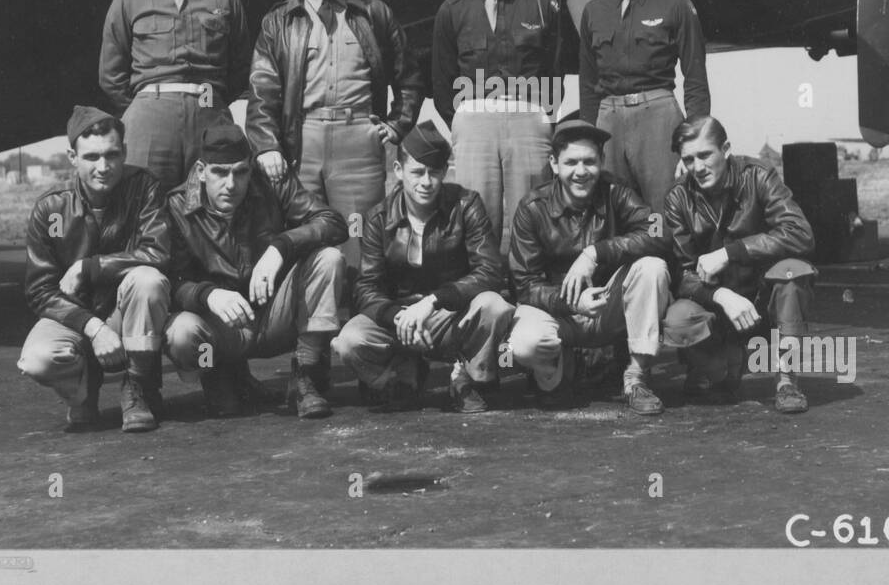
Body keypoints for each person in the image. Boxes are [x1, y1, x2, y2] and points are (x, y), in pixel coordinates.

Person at [245, 0, 421, 268]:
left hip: (358, 137)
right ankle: (313, 321)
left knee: (360, 240)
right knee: (305, 234)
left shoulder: (374, 14)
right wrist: (266, 144)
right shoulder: (278, 21)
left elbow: (409, 78)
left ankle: (361, 319)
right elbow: (261, 88)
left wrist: (397, 125)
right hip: (302, 140)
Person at [161, 123, 349, 420]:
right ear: (200, 170)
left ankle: (306, 373)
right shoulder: (176, 205)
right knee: (182, 334)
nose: (231, 184)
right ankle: (218, 374)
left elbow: (333, 222)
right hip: (221, 325)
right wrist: (208, 295)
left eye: (240, 172)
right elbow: (171, 281)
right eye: (219, 172)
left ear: (251, 167)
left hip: (273, 312)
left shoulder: (272, 184)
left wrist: (281, 246)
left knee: (329, 259)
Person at [335, 122, 513, 413]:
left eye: (434, 172)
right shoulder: (377, 218)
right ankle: (397, 375)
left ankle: (466, 377)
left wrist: (433, 301)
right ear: (398, 170)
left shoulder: (467, 204)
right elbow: (366, 287)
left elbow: (490, 271)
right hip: (399, 321)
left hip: (450, 313)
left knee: (495, 306)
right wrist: (398, 317)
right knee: (348, 341)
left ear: (444, 172)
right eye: (417, 172)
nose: (426, 182)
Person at [17, 106, 171, 433]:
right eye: (91, 157)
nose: (103, 167)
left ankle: (138, 387)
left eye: (112, 155)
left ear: (125, 152)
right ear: (72, 156)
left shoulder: (144, 188)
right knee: (37, 359)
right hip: (76, 317)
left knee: (148, 280)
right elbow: (40, 291)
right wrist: (93, 328)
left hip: (124, 311)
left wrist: (90, 267)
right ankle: (83, 391)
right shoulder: (50, 208)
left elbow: (158, 252)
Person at [506, 118, 671, 416]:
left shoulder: (616, 190)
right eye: (571, 162)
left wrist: (595, 252)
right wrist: (571, 302)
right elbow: (525, 284)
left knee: (652, 267)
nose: (581, 172)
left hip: (606, 306)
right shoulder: (531, 207)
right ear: (554, 164)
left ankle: (636, 377)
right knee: (524, 343)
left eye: (589, 162)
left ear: (602, 161)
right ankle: (551, 379)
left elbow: (659, 232)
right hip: (558, 313)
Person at [431, 0, 564, 254]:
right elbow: (442, 81)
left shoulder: (541, 1)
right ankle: (481, 295)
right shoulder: (452, 10)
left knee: (533, 213)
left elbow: (554, 69)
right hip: (474, 122)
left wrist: (541, 119)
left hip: (528, 121)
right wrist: (463, 121)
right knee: (476, 216)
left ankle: (531, 295)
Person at [661, 116, 818, 414]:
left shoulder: (758, 175)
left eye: (705, 155)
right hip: (720, 307)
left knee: (793, 272)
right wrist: (721, 296)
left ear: (726, 149)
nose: (698, 167)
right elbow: (682, 273)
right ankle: (722, 361)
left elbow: (800, 233)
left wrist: (730, 252)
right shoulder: (678, 198)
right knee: (680, 319)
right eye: (689, 159)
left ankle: (787, 379)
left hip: (762, 301)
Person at [99, 0, 252, 189]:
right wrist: (147, 105)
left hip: (210, 116)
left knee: (210, 213)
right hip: (150, 117)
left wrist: (211, 103)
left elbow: (241, 66)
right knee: (145, 209)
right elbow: (111, 74)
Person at [578, 0, 710, 214]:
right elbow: (588, 85)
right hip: (607, 120)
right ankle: (620, 263)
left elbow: (695, 78)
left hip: (658, 118)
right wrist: (587, 137)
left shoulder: (676, 5)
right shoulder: (594, 12)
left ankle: (664, 263)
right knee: (608, 208)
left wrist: (696, 139)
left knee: (662, 209)